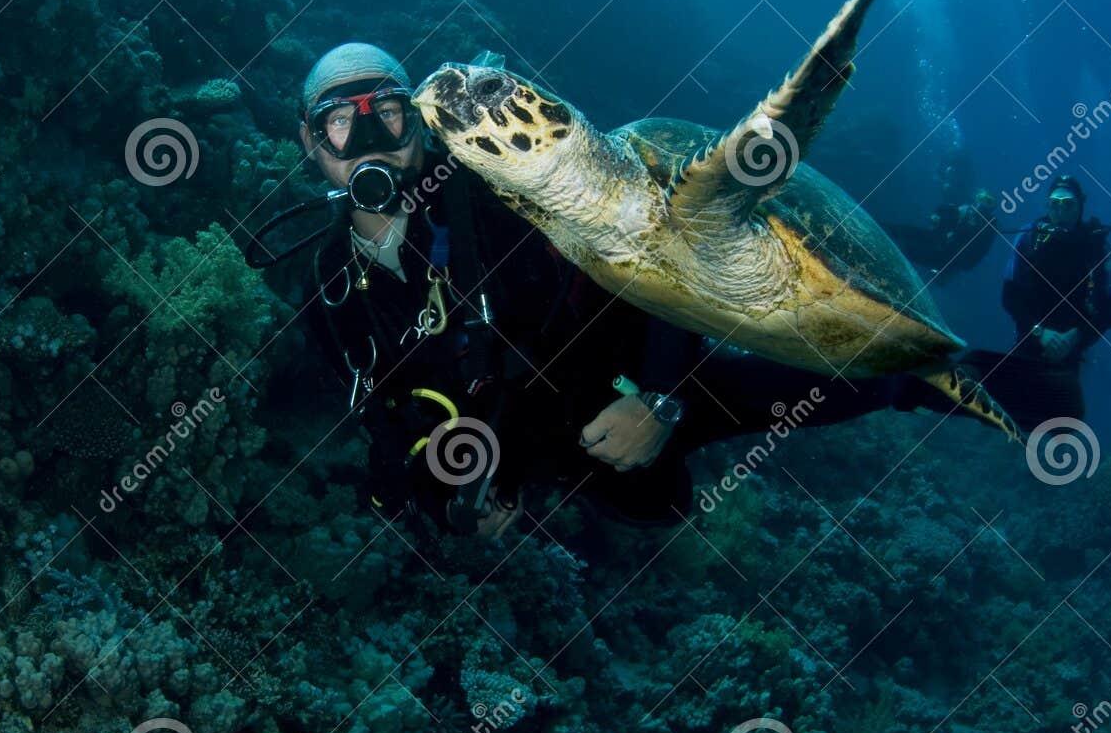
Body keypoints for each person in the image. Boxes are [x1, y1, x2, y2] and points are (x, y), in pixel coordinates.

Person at [253, 43, 993, 539]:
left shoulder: (499, 196)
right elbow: (384, 410)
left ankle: (931, 379)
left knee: (826, 376)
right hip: (539, 437)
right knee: (642, 507)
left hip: (637, 373)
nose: (369, 139)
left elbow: (656, 249)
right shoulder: (329, 286)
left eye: (385, 110)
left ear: (418, 121)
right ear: (308, 143)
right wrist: (469, 479)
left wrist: (662, 398)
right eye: (339, 124)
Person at [959, 175, 1111, 429]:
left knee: (1061, 423)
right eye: (1054, 204)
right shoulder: (1027, 238)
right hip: (1030, 340)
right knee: (1001, 410)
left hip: (1070, 352)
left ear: (1080, 207)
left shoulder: (1097, 247)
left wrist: (1075, 337)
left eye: (1068, 204)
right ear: (1046, 206)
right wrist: (1039, 332)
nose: (1060, 211)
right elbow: (1009, 296)